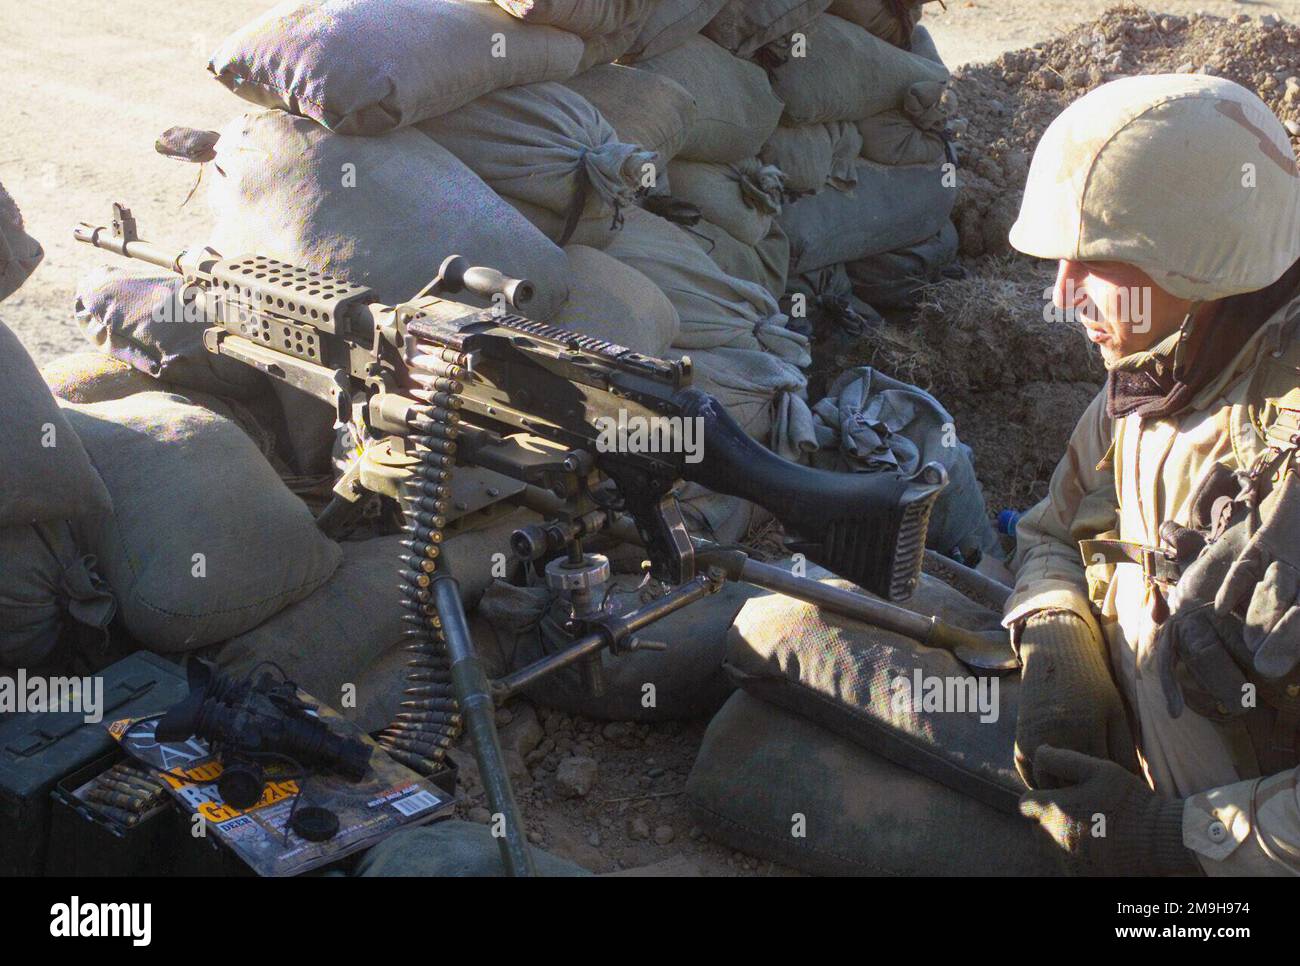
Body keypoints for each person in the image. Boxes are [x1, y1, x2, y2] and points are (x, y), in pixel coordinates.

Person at [1005, 73, 1300, 875]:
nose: (1063, 297)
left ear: (1203, 260)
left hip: (1215, 860)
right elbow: (1051, 531)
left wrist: (1175, 840)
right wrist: (1059, 639)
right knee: (781, 650)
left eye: (1095, 260)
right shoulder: (1160, 374)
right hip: (1127, 772)